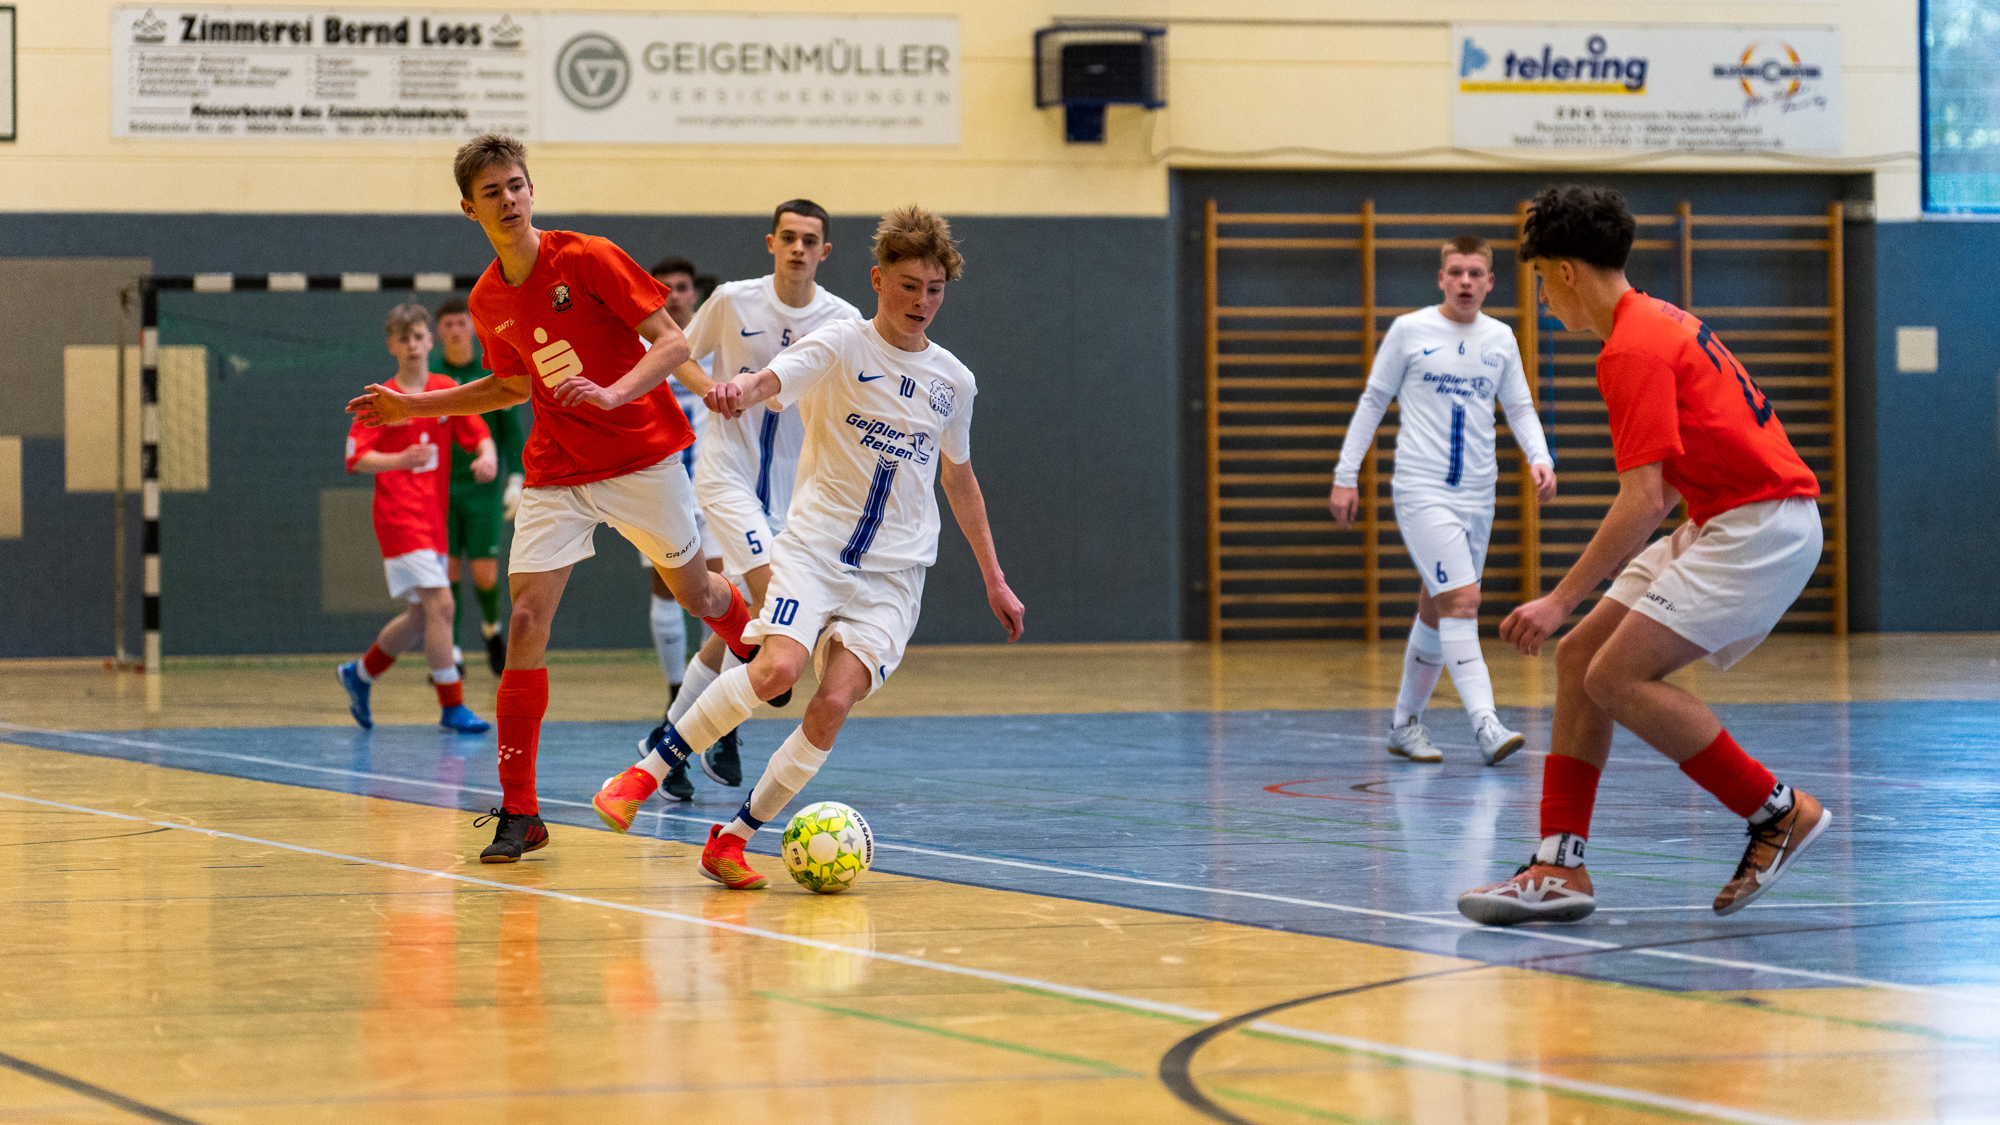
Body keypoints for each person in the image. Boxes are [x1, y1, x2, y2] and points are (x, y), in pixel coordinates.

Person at [347, 134, 762, 864]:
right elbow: (510, 385)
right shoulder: (485, 298)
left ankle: (743, 634)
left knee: (695, 591)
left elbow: (673, 345)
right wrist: (411, 409)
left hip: (640, 454)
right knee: (528, 618)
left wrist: (613, 392)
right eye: (492, 193)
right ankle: (521, 809)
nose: (508, 200)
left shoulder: (589, 257)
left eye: (516, 185)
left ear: (532, 191)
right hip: (557, 470)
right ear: (468, 209)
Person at [591, 206, 1025, 891]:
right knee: (778, 669)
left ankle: (731, 840)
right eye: (909, 285)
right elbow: (775, 377)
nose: (922, 301)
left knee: (834, 700)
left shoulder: (954, 381)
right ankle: (643, 772)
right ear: (877, 279)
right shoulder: (840, 341)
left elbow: (960, 478)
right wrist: (737, 388)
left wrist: (994, 579)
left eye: (935, 289)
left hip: (894, 577)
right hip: (817, 548)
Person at [1457, 185, 1831, 925]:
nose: (1540, 299)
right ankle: (1559, 864)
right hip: (1729, 516)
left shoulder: (1631, 347)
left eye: (1538, 280)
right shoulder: (1654, 320)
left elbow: (1644, 499)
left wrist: (1559, 598)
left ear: (1564, 272)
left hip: (1760, 525)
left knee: (1617, 674)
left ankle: (1777, 811)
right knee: (1580, 663)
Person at [640, 200, 862, 801]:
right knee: (769, 600)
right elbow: (675, 351)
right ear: (771, 243)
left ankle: (667, 742)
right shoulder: (735, 300)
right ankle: (723, 729)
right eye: (787, 237)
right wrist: (712, 389)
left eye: (809, 240)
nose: (797, 248)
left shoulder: (843, 319)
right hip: (729, 476)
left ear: (824, 251)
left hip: (797, 493)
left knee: (739, 621)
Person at [1330, 236, 1557, 765]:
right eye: (1456, 272)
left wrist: (1539, 457)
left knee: (1437, 607)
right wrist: (1346, 475)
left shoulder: (1500, 337)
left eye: (1476, 273)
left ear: (1490, 282)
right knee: (1463, 601)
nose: (1465, 282)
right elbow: (1373, 402)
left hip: (1479, 493)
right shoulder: (1410, 331)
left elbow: (1520, 407)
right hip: (1422, 490)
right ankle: (1486, 722)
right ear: (1440, 278)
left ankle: (1405, 724)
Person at [336, 302, 497, 735]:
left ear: (431, 341)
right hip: (399, 516)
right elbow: (356, 456)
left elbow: (478, 432)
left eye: (418, 336)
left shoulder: (444, 389)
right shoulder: (382, 399)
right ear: (391, 345)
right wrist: (401, 458)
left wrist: (488, 455)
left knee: (422, 617)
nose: (412, 344)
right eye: (402, 338)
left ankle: (361, 674)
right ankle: (452, 705)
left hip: (432, 519)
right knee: (443, 605)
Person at [432, 296, 527, 676]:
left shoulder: (492, 371)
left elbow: (510, 432)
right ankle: (451, 650)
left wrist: (516, 477)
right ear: (439, 332)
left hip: (482, 489)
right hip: (439, 490)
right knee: (447, 572)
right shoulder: (431, 374)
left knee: (485, 574)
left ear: (472, 327)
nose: (456, 330)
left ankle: (491, 630)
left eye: (461, 322)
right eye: (448, 324)